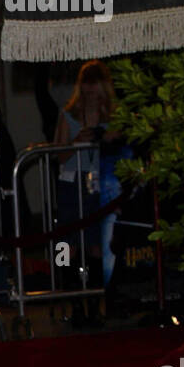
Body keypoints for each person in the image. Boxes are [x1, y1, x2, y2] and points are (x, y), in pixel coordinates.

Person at [53, 60, 117, 328]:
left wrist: (104, 137)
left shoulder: (113, 115)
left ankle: (95, 304)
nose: (90, 91)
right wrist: (76, 143)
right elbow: (57, 154)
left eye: (95, 85)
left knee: (96, 246)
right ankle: (75, 304)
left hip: (100, 185)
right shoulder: (68, 114)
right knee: (69, 246)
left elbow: (121, 144)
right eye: (86, 85)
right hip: (72, 183)